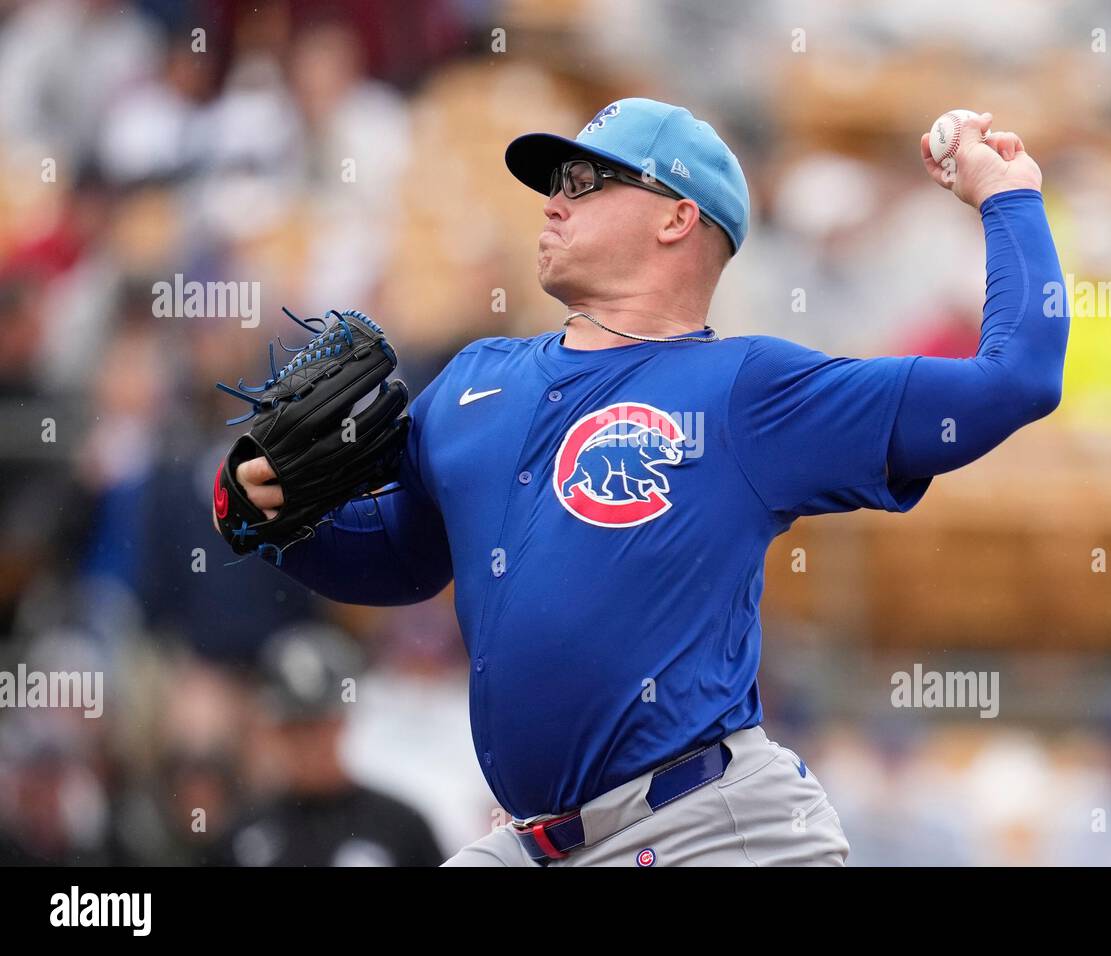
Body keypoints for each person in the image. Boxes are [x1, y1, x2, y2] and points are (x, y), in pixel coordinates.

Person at [218, 98, 1067, 865]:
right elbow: (404, 560)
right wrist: (266, 520)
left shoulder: (748, 392)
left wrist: (1010, 197)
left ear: (676, 218)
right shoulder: (477, 380)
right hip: (530, 843)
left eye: (584, 181)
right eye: (556, 182)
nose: (553, 200)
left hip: (708, 829)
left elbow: (1015, 380)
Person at [216, 625, 445, 866]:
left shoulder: (402, 827)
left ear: (342, 721)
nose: (307, 742)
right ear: (272, 732)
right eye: (294, 727)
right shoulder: (243, 837)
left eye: (318, 724)